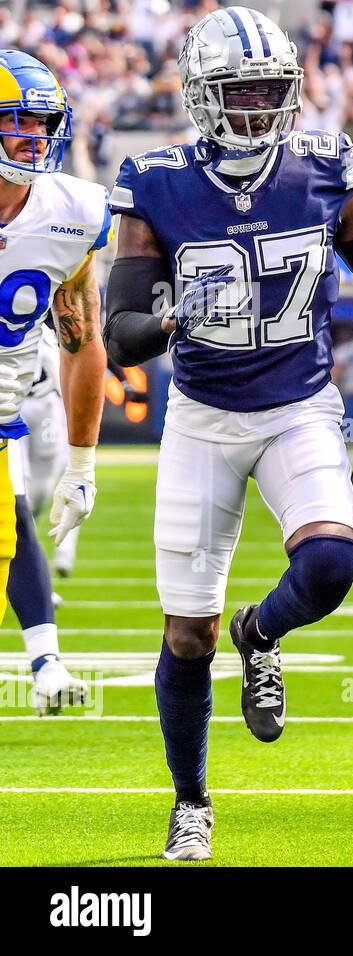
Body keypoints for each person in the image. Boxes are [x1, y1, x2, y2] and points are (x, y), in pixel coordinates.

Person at [103, 7, 353, 861]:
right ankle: (192, 801)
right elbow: (118, 334)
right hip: (201, 417)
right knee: (185, 631)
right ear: (201, 95)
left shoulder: (328, 164)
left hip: (300, 405)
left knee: (330, 565)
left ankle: (260, 634)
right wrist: (173, 321)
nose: (260, 107)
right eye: (242, 91)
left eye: (272, 89)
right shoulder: (156, 182)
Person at [0, 50, 109, 716]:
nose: (34, 140)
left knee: (11, 526)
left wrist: (83, 463)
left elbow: (82, 340)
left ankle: (45, 660)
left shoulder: (69, 213)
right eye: (19, 123)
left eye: (44, 126)